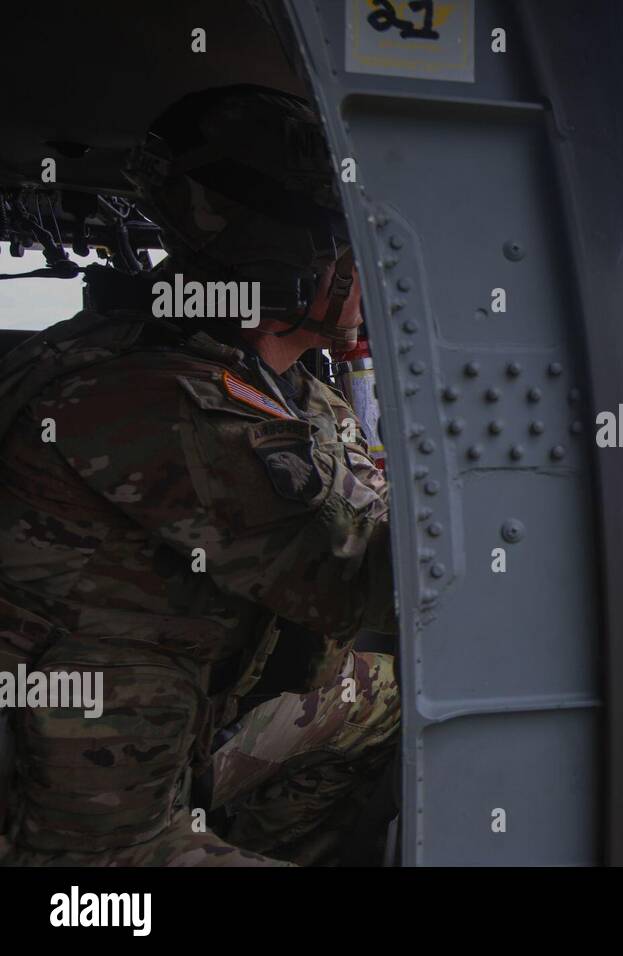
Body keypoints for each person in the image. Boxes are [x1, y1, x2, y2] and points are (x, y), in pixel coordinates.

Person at [0, 86, 398, 866]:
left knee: (382, 699)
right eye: (361, 248)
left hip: (160, 716)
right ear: (302, 266)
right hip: (76, 821)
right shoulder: (166, 404)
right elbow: (371, 584)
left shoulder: (210, 358)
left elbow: (346, 473)